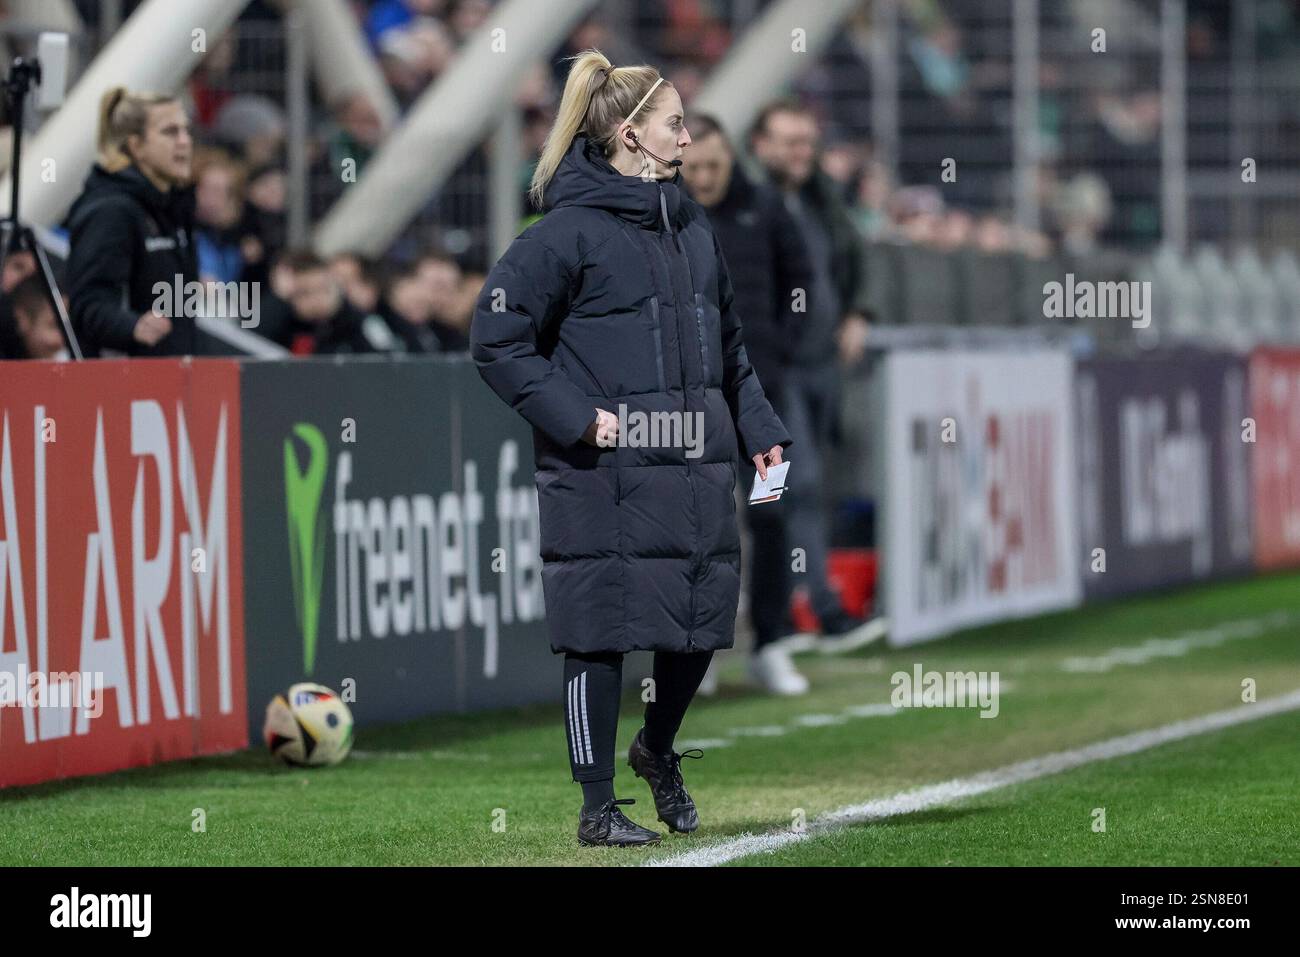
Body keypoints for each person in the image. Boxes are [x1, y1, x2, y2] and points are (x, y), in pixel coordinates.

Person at [470, 49, 790, 848]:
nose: (691, 138)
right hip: (600, 474)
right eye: (676, 124)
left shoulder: (691, 225)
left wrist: (761, 432)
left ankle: (657, 747)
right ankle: (595, 806)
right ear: (628, 134)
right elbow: (495, 337)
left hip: (693, 465)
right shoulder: (563, 234)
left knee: (699, 625)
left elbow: (731, 345)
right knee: (600, 629)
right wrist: (577, 417)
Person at [746, 99, 888, 687]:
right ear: (759, 145)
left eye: (806, 142)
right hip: (770, 375)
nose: (798, 153)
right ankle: (815, 612)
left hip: (817, 369)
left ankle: (781, 623)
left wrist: (857, 310)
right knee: (787, 486)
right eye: (786, 142)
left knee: (800, 489)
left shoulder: (820, 200)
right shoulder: (748, 207)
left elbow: (855, 257)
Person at [66, 87, 199, 356]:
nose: (185, 141)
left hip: (170, 380)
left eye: (186, 130)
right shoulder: (111, 211)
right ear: (136, 146)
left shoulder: (173, 208)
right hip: (122, 385)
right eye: (170, 132)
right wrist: (132, 327)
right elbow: (87, 304)